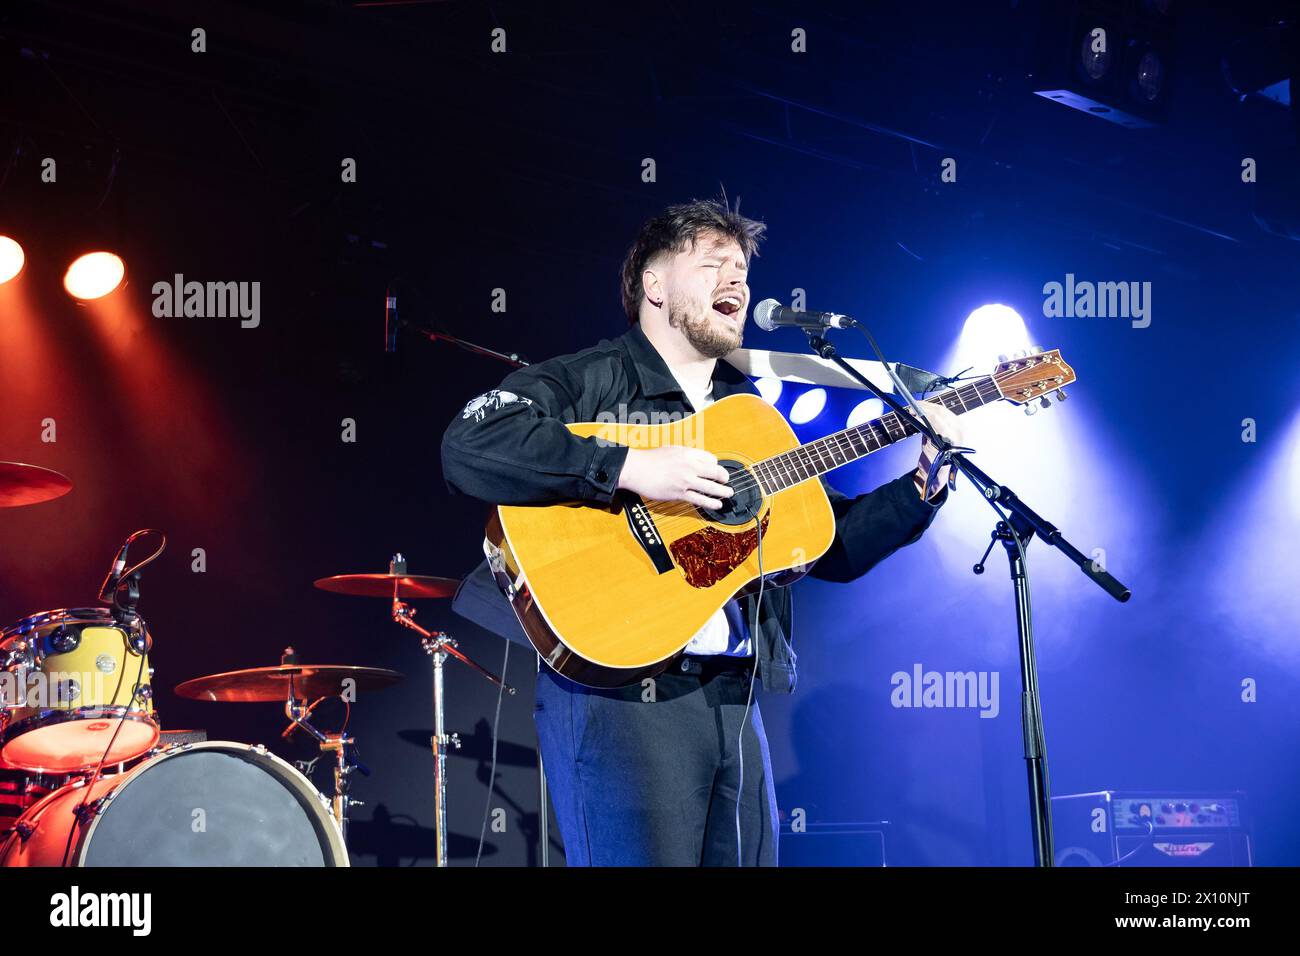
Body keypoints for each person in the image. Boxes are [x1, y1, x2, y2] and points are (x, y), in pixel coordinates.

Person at [441, 197, 963, 866]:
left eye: (742, 268)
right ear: (653, 285)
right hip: (622, 696)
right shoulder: (591, 378)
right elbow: (471, 443)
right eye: (713, 263)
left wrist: (926, 480)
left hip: (731, 701)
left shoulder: (746, 414)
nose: (737, 281)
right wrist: (630, 466)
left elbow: (830, 541)